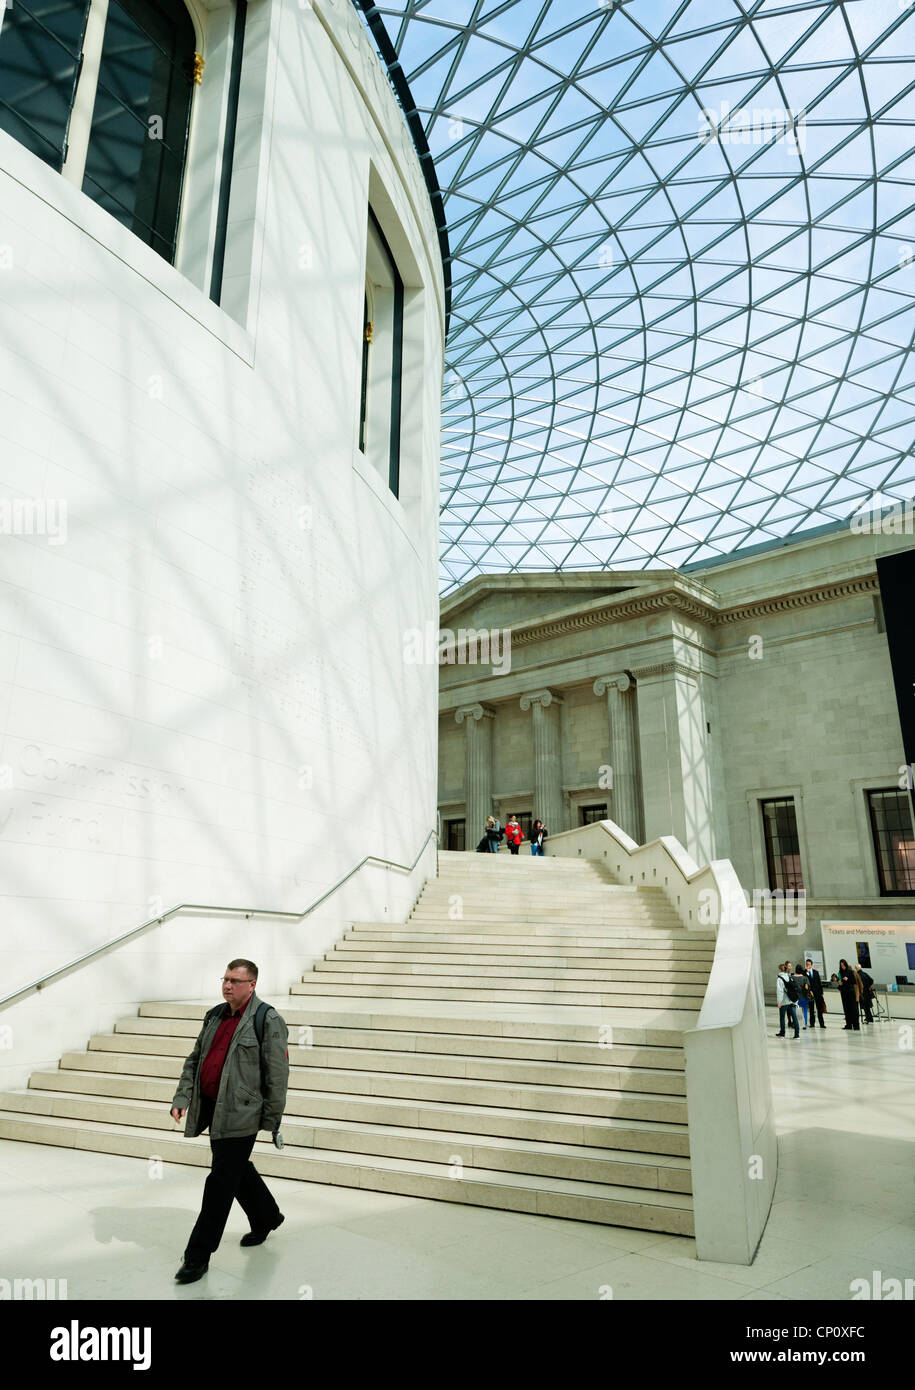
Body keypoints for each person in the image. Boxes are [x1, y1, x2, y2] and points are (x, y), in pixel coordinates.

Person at [170, 958, 289, 1283]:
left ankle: (197, 1256)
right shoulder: (214, 1016)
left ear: (251, 985)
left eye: (235, 981)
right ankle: (266, 1216)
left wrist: (271, 1119)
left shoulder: (268, 1020)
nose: (227, 985)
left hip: (243, 1114)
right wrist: (183, 1097)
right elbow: (195, 1059)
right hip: (214, 1109)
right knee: (234, 1169)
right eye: (225, 979)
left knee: (220, 1181)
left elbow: (278, 1075)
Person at [775, 962, 800, 1038]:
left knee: (782, 1017)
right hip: (791, 1001)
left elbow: (780, 991)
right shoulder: (789, 976)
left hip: (784, 1002)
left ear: (779, 970)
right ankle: (797, 1035)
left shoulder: (780, 979)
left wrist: (779, 1002)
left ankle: (782, 1033)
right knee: (794, 1017)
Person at [837, 957, 860, 1031]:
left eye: (843, 965)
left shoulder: (850, 972)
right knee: (846, 1009)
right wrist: (840, 983)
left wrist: (848, 979)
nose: (843, 967)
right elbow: (839, 981)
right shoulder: (840, 973)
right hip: (844, 992)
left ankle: (856, 1025)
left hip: (851, 992)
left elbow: (854, 982)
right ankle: (848, 1024)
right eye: (841, 965)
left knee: (853, 1009)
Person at [804, 958, 826, 1028]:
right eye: (807, 964)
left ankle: (822, 1024)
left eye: (809, 964)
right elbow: (806, 982)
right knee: (811, 1009)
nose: (808, 965)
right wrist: (807, 973)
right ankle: (812, 1024)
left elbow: (819, 983)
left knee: (819, 1009)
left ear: (811, 965)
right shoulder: (804, 973)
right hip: (810, 993)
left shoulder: (816, 972)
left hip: (818, 993)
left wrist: (821, 992)